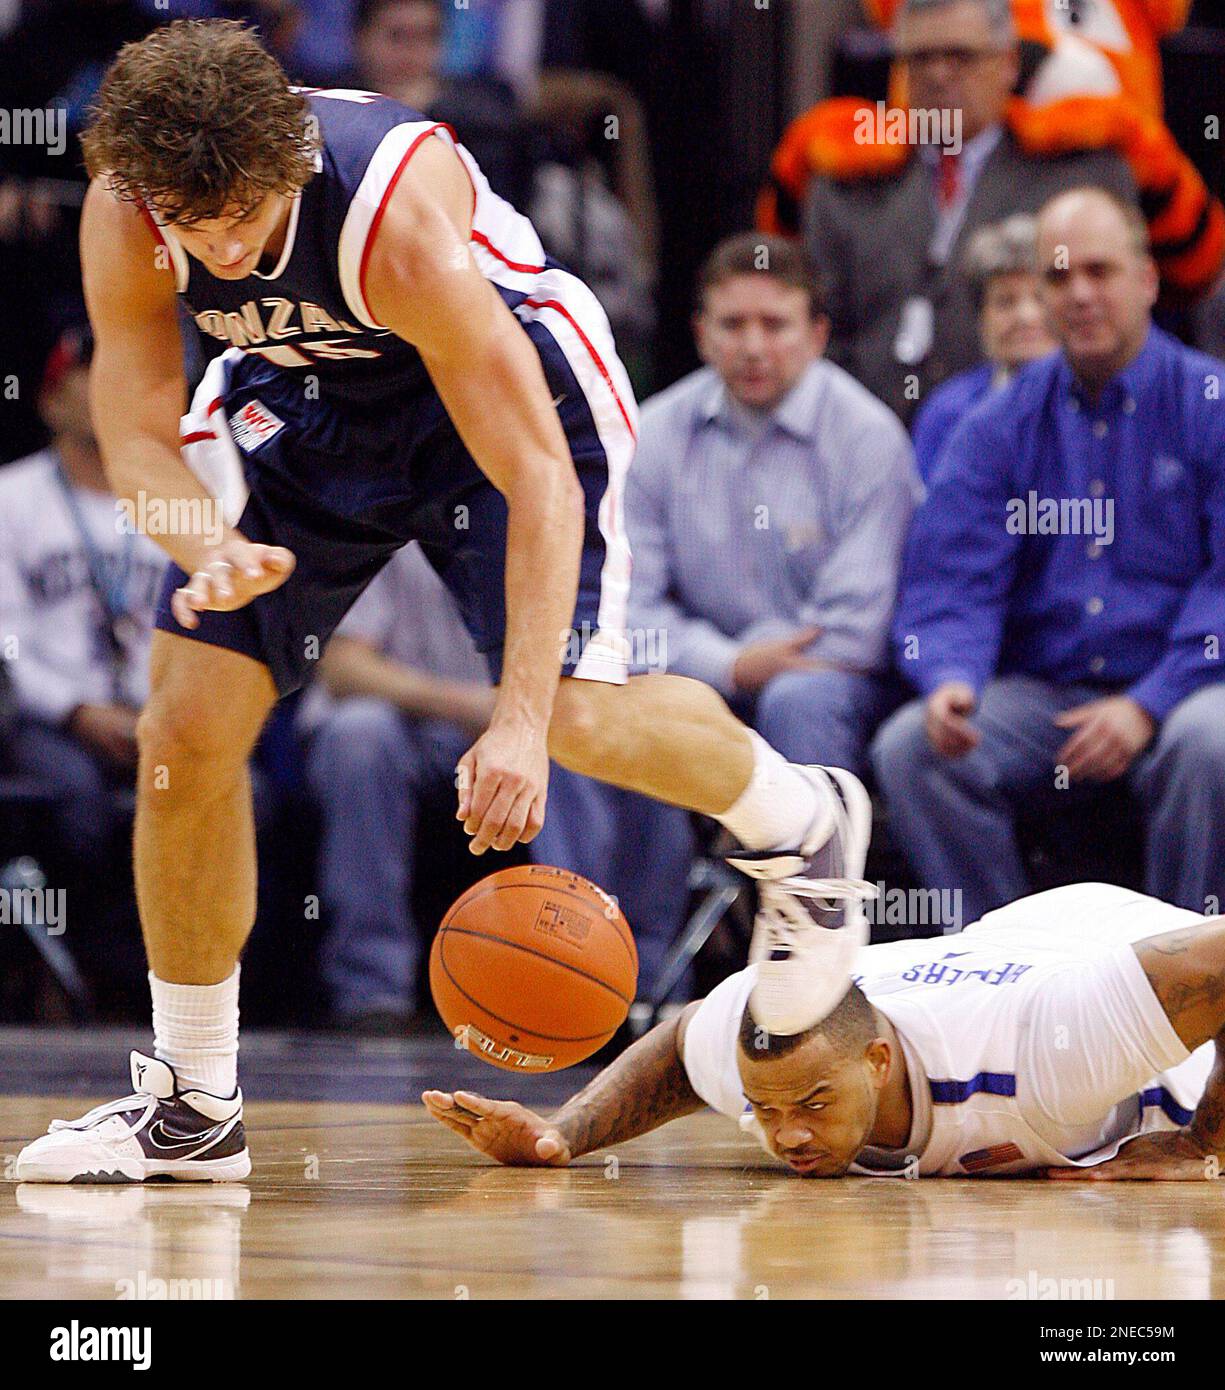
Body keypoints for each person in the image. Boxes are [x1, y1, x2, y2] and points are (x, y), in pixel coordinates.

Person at [15, 19, 870, 1184]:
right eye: (189, 226)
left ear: (290, 165)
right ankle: (194, 1104)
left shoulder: (391, 211)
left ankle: (800, 818)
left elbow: (534, 474)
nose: (213, 253)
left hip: (506, 407)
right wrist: (203, 539)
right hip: (310, 403)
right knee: (186, 721)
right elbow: (134, 432)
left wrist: (513, 722)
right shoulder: (132, 207)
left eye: (239, 224)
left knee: (574, 717)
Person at [872, 186, 1225, 928]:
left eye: (1099, 272)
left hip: (1185, 684)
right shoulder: (997, 421)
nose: (1079, 295)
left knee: (1209, 744)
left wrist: (1146, 703)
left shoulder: (1206, 402)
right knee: (915, 748)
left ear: (1146, 281)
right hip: (1045, 693)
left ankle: (1184, 992)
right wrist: (950, 679)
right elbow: (949, 578)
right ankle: (1008, 974)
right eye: (1058, 277)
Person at [423, 880, 1225, 1181]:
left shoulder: (1051, 1057)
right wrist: (560, 1137)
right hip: (1005, 939)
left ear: (876, 1061)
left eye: (809, 1102)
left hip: (1102, 942)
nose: (786, 1134)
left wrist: (1201, 1144)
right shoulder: (759, 1030)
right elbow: (679, 1040)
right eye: (763, 1110)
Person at [303, 542, 495, 1034]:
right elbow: (344, 669)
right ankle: (372, 989)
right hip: (412, 733)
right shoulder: (384, 502)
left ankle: (619, 983)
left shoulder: (560, 509)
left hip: (521, 733)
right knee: (359, 735)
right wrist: (472, 706)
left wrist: (521, 720)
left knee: (593, 739)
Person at [911, 213, 1056, 483]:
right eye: (1005, 302)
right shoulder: (947, 412)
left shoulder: (1097, 402)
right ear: (981, 318)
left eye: (1040, 297)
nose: (1026, 316)